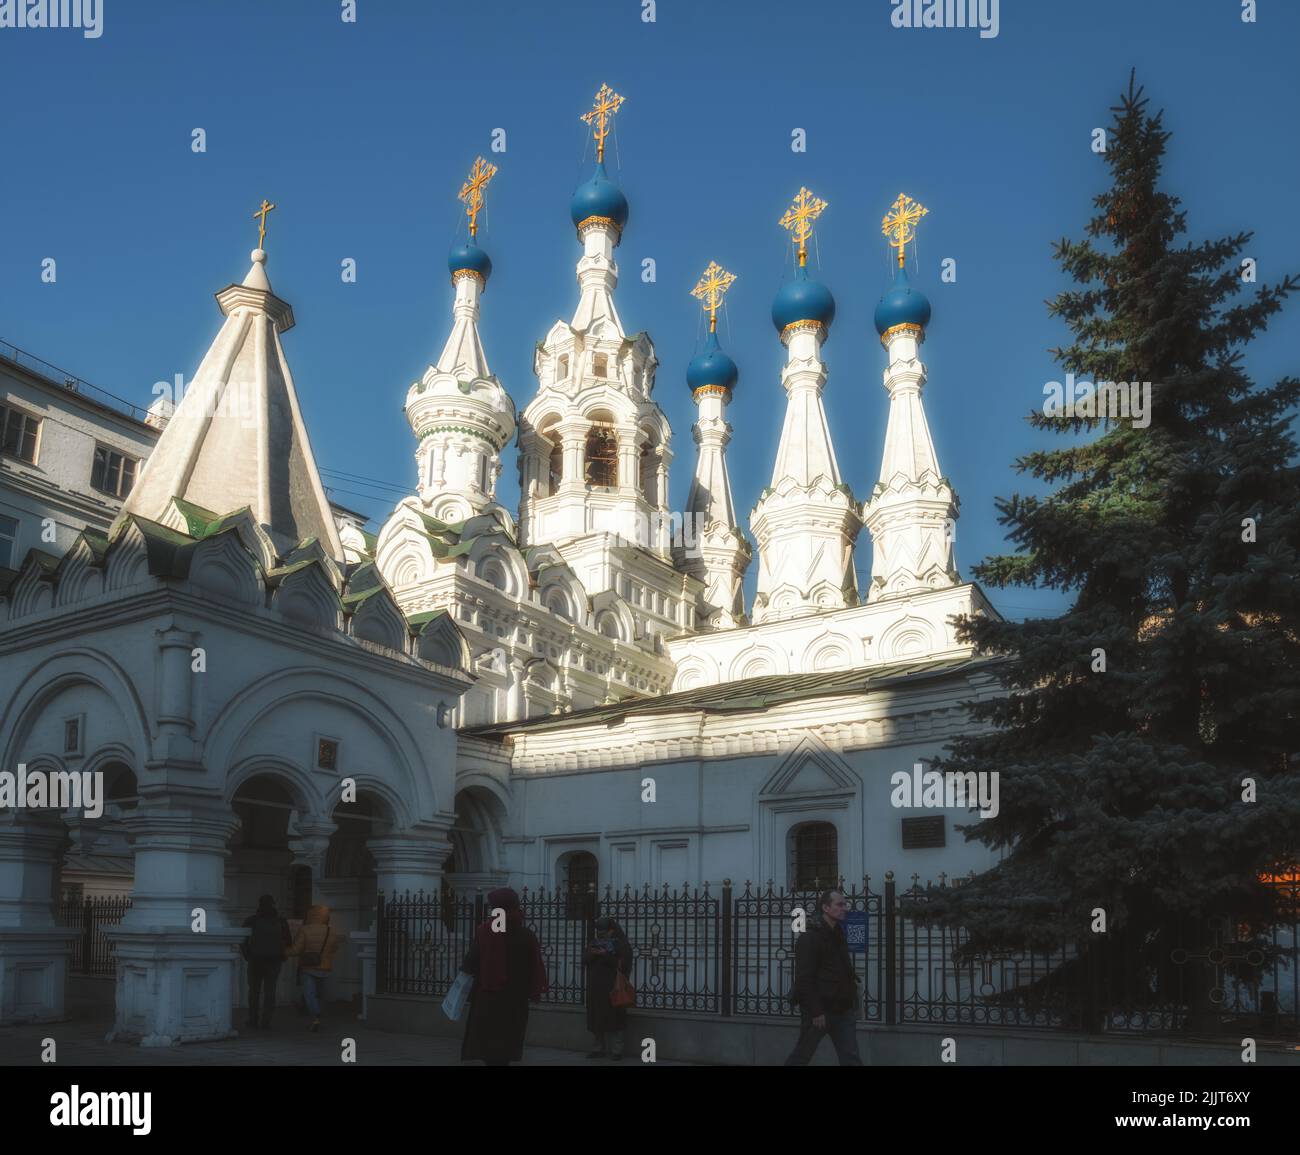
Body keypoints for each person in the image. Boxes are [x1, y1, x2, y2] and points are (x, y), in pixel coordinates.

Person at [459, 887, 548, 1065]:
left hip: (489, 997)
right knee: (507, 1043)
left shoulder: (485, 931)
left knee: (489, 1045)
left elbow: (470, 964)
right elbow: (535, 967)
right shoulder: (526, 935)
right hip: (516, 999)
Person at [785, 889, 863, 1065]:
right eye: (840, 905)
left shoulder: (838, 934)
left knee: (851, 1056)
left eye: (845, 904)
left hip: (843, 1009)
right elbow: (804, 979)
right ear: (826, 908)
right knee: (802, 1055)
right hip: (820, 1011)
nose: (845, 908)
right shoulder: (810, 937)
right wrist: (816, 1011)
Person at [285, 903, 345, 1032]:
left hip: (308, 967)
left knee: (310, 994)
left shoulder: (305, 930)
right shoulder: (331, 930)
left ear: (310, 915)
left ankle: (316, 1017)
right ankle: (317, 1015)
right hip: (325, 968)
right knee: (320, 994)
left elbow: (296, 949)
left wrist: (283, 951)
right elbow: (334, 948)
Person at [583, 916, 633, 1060]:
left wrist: (606, 955)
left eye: (604, 931)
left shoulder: (621, 944)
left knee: (616, 1019)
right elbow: (584, 960)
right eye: (599, 931)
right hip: (596, 989)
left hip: (614, 989)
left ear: (612, 930)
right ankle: (597, 1049)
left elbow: (624, 965)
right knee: (596, 1020)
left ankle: (617, 1050)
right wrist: (592, 953)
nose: (601, 934)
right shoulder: (594, 942)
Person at [241, 894, 290, 1030]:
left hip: (255, 959)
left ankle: (253, 1020)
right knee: (270, 991)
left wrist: (248, 956)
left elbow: (243, 941)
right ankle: (266, 1022)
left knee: (254, 991)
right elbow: (288, 941)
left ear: (259, 904)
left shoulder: (251, 920)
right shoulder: (281, 921)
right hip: (274, 960)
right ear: (273, 904)